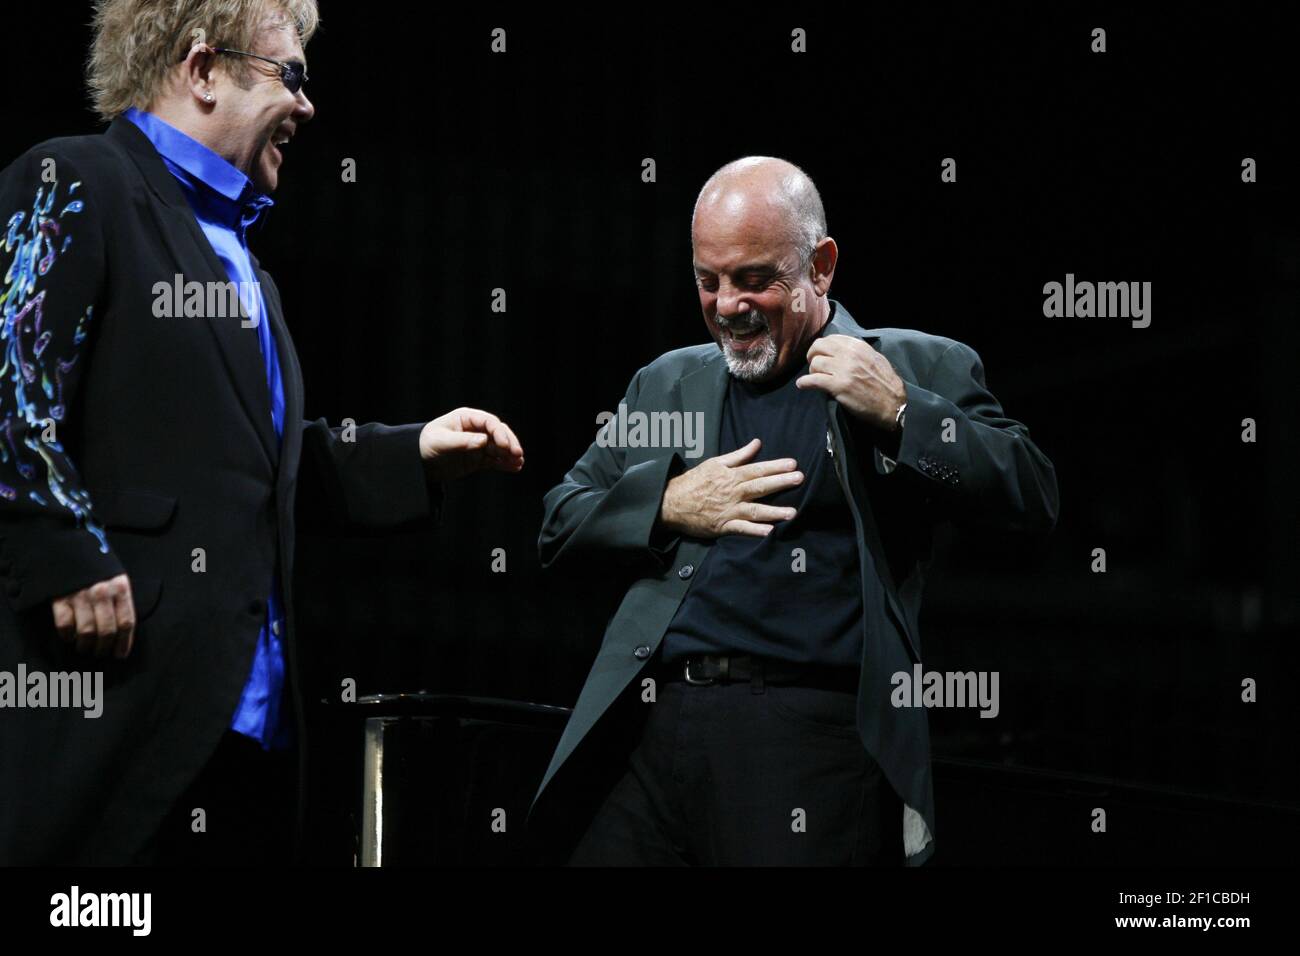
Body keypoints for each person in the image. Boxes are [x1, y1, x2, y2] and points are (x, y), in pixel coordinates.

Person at [0, 0, 523, 864]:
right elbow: (10, 385)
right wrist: (66, 552)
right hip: (116, 714)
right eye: (292, 75)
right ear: (203, 69)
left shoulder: (247, 270)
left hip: (247, 735)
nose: (309, 106)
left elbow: (249, 474)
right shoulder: (78, 177)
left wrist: (412, 453)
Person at [531, 156, 1058, 865]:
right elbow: (560, 521)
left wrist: (903, 413)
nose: (726, 305)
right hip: (654, 729)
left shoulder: (915, 364)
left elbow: (1032, 494)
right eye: (706, 280)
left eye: (753, 280)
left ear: (821, 266)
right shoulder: (667, 383)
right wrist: (667, 505)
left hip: (805, 739)